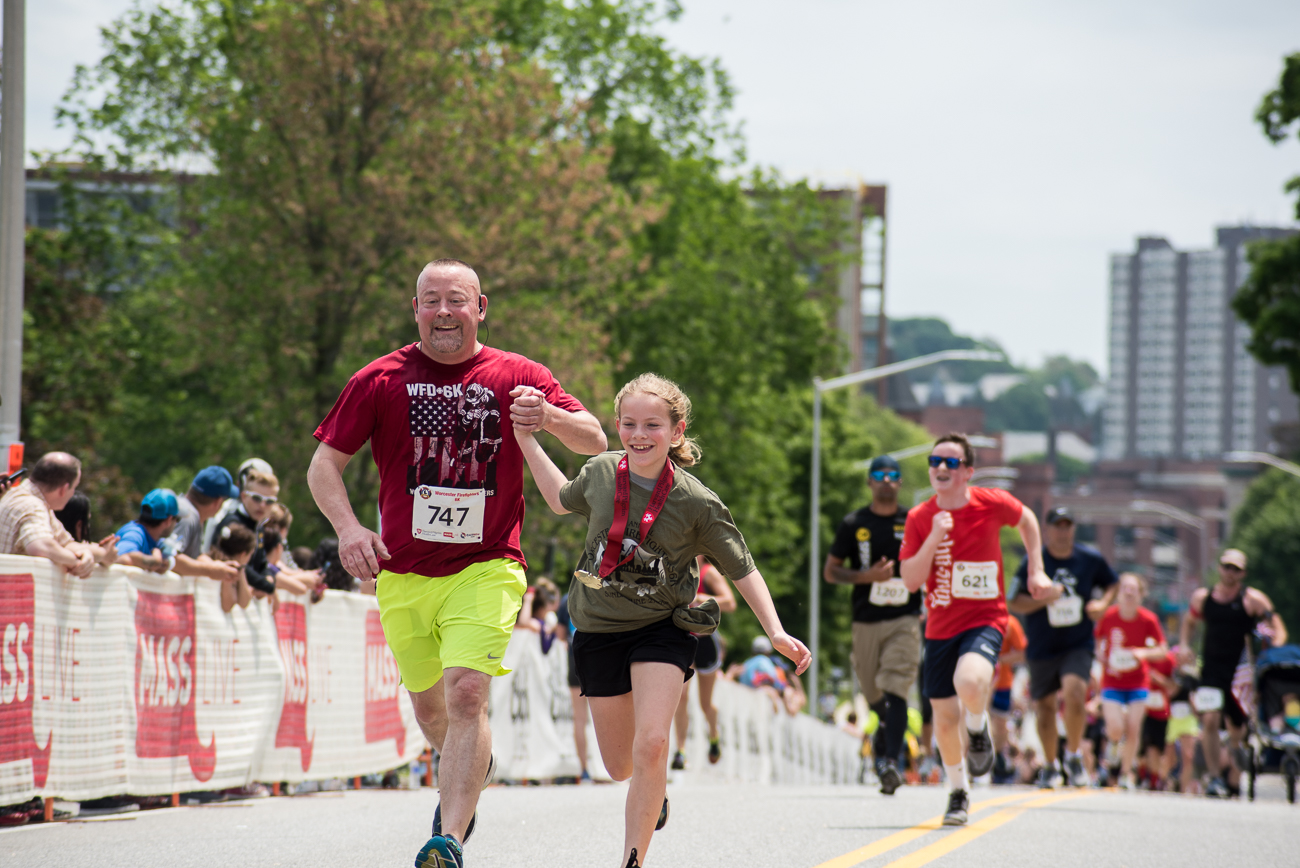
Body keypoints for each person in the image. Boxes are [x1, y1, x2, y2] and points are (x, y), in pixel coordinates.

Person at [307, 258, 606, 868]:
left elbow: (596, 439)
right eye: (431, 300)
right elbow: (323, 466)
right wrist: (349, 528)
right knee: (432, 711)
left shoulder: (518, 374)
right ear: (415, 308)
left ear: (481, 307)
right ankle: (473, 765)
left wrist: (545, 417)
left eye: (457, 300)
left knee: (468, 693)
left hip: (488, 563)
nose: (444, 312)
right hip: (403, 573)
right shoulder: (380, 379)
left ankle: (449, 838)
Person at [515, 372, 810, 868]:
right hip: (597, 627)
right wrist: (526, 436)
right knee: (619, 765)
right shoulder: (602, 471)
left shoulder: (696, 500)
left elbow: (743, 567)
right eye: (629, 424)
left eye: (653, 425)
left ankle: (633, 859)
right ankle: (654, 790)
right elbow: (559, 498)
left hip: (663, 627)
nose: (639, 435)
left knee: (652, 743)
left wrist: (775, 631)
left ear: (677, 431)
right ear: (617, 425)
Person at [899, 432, 1051, 826]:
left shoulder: (991, 503)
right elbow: (911, 579)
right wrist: (934, 536)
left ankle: (979, 727)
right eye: (935, 461)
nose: (941, 468)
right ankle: (958, 791)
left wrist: (1035, 568)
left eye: (951, 462)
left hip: (985, 619)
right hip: (940, 627)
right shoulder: (919, 517)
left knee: (970, 681)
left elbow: (1028, 519)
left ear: (968, 471)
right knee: (944, 720)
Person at [824, 454, 918, 795]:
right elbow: (831, 571)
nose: (886, 479)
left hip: (905, 617)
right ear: (870, 482)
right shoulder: (854, 524)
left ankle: (889, 762)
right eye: (879, 474)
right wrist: (867, 576)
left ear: (900, 482)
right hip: (865, 619)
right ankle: (888, 727)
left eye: (893, 474)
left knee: (896, 687)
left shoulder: (913, 521)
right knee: (871, 688)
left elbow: (935, 563)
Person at [1009, 505, 1118, 788]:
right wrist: (1045, 599)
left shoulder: (1089, 559)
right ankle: (1050, 765)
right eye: (1057, 525)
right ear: (1046, 530)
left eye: (1067, 525)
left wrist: (1103, 605)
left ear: (1073, 529)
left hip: (1077, 643)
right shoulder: (1034, 561)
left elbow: (1112, 584)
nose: (1062, 530)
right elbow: (1013, 601)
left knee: (1075, 691)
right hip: (1043, 645)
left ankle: (1072, 756)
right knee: (1044, 708)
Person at [1179, 548, 1288, 797]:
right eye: (1227, 567)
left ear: (1243, 573)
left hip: (1241, 675)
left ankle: (1236, 754)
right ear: (1219, 568)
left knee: (1237, 730)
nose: (1230, 572)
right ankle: (1216, 778)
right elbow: (1189, 622)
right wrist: (1184, 645)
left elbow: (1276, 625)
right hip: (1211, 671)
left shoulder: (1252, 600)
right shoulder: (1203, 598)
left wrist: (1276, 648)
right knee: (1210, 720)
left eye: (1236, 569)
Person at [1094, 572, 1167, 790]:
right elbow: (1098, 642)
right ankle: (1114, 745)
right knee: (1115, 727)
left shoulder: (1148, 619)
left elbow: (1162, 650)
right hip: (1112, 681)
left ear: (1140, 595)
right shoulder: (1109, 616)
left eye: (1132, 589)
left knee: (1134, 727)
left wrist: (1143, 654)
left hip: (1138, 682)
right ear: (1118, 593)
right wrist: (1102, 655)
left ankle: (1126, 773)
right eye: (1124, 588)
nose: (1128, 592)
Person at [0, 452, 117, 575]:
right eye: (73, 488)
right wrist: (75, 561)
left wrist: (92, 553)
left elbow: (65, 543)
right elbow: (41, 547)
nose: (72, 493)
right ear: (63, 489)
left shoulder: (19, 497)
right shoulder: (32, 505)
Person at [671, 556, 736, 770]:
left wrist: (703, 597)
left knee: (704, 703)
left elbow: (730, 602)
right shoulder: (675, 570)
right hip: (683, 639)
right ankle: (680, 751)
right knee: (680, 697)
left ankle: (714, 736)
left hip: (706, 642)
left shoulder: (708, 573)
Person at [163, 466, 243, 583]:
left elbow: (194, 556)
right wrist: (210, 570)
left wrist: (219, 567)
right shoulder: (187, 517)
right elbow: (170, 558)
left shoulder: (189, 511)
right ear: (218, 502)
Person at [990, 614, 1026, 783]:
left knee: (1000, 723)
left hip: (1002, 682)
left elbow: (1022, 652)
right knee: (976, 718)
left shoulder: (1011, 623)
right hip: (978, 682)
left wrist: (999, 660)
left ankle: (997, 758)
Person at [115, 489, 183, 573]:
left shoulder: (155, 540)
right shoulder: (134, 534)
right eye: (177, 519)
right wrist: (155, 562)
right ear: (168, 520)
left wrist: (166, 563)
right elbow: (122, 557)